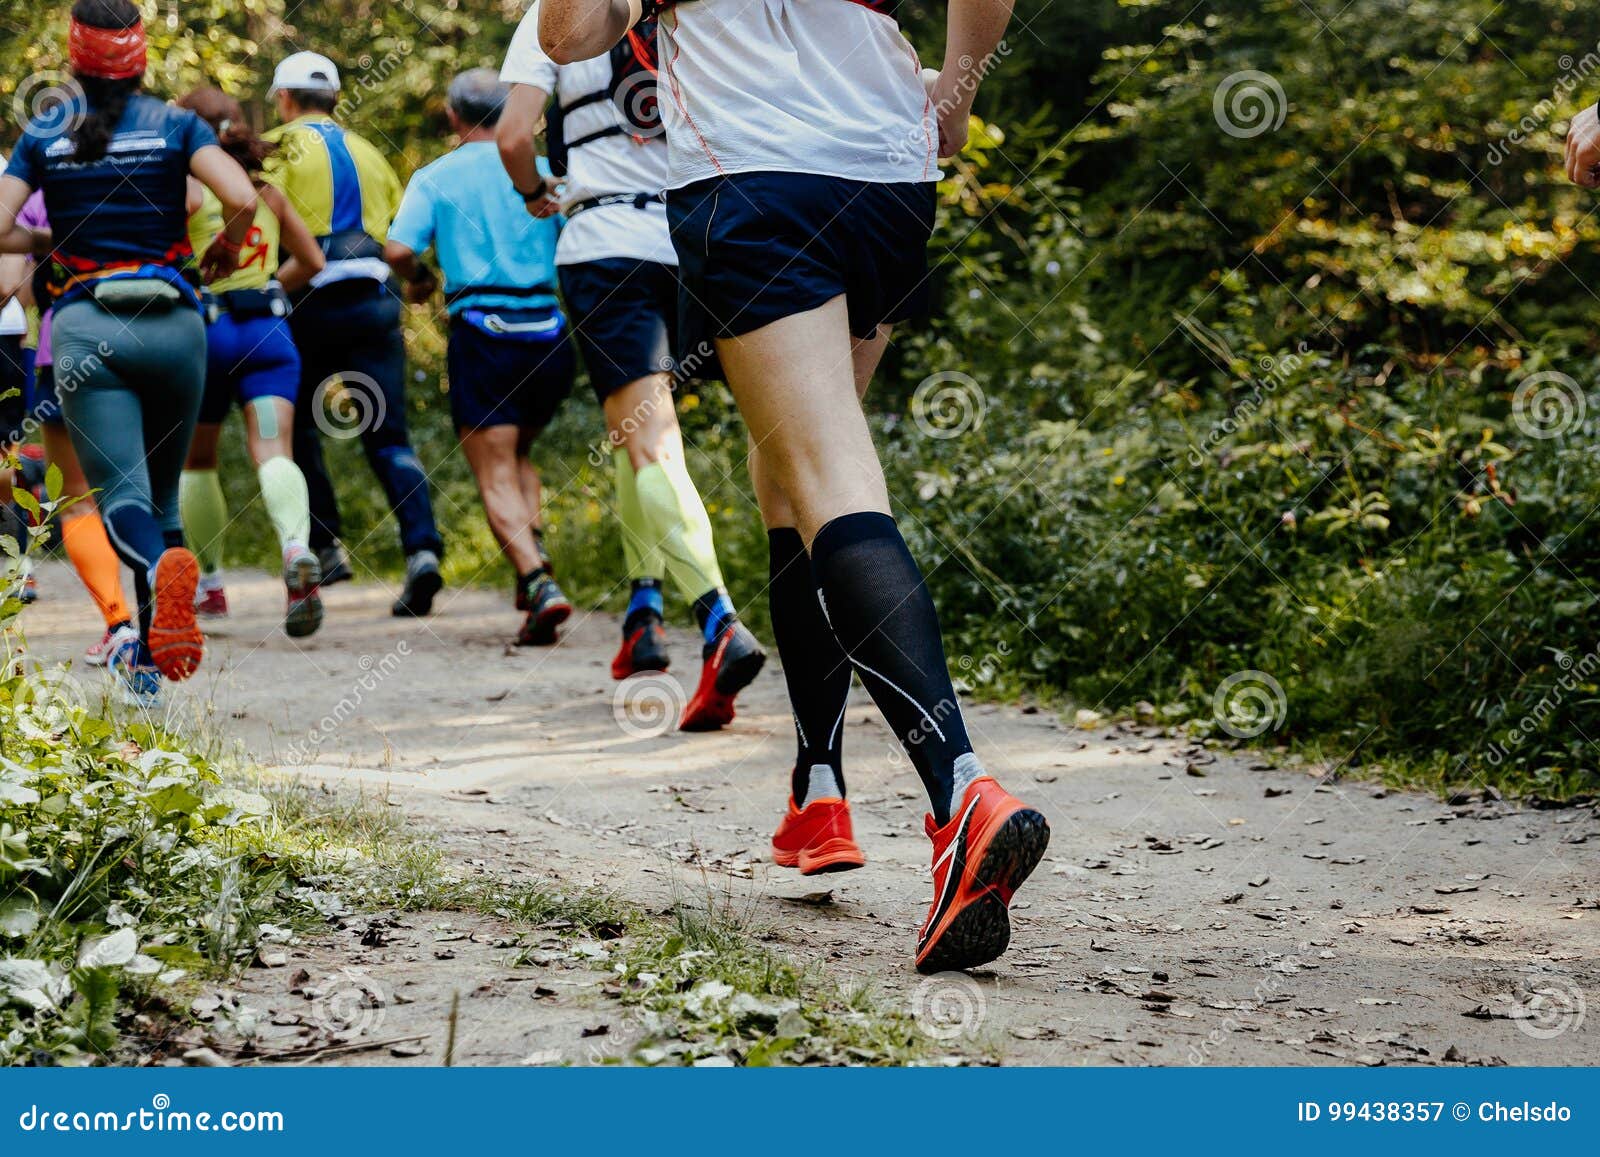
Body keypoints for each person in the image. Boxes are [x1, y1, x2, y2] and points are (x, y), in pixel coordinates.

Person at [537, 0, 1048, 972]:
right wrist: (955, 93)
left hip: (755, 170)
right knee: (792, 478)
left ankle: (963, 793)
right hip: (886, 167)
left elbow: (566, 35)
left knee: (826, 474)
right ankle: (818, 789)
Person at [497, 4, 766, 729]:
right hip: (689, 243)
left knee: (650, 442)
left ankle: (718, 620)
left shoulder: (557, 13)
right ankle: (642, 613)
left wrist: (535, 193)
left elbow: (514, 136)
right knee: (633, 431)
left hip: (605, 244)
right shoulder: (685, 8)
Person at [0, 0, 259, 704]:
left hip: (89, 327)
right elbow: (241, 196)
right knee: (164, 498)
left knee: (121, 500)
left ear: (75, 57)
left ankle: (153, 604)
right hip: (176, 322)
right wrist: (224, 249)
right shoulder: (178, 125)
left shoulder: (46, 131)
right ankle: (148, 660)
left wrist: (46, 241)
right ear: (140, 56)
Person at [383, 69, 575, 646]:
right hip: (549, 331)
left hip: (484, 333)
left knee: (493, 470)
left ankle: (538, 581)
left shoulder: (437, 176)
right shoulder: (541, 172)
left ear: (453, 116)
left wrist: (421, 279)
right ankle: (533, 565)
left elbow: (397, 249)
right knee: (518, 456)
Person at [262, 52, 445, 617]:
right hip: (372, 302)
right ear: (336, 99)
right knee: (389, 437)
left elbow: (259, 226)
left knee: (295, 431)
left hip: (304, 303)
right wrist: (421, 279)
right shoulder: (369, 152)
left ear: (285, 99)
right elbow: (396, 237)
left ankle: (324, 546)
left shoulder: (272, 149)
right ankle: (422, 550)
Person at [176, 87, 327, 638]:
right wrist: (265, 288)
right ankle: (295, 548)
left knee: (198, 462)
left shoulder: (187, 190)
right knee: (272, 449)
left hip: (206, 335)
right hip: (267, 333)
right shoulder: (266, 192)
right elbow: (313, 262)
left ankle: (211, 585)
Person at [11, 190, 136, 663]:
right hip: (151, 333)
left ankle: (120, 625)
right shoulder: (150, 171)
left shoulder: (39, 189)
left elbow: (20, 291)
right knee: (143, 487)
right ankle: (172, 610)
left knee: (78, 498)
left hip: (66, 345)